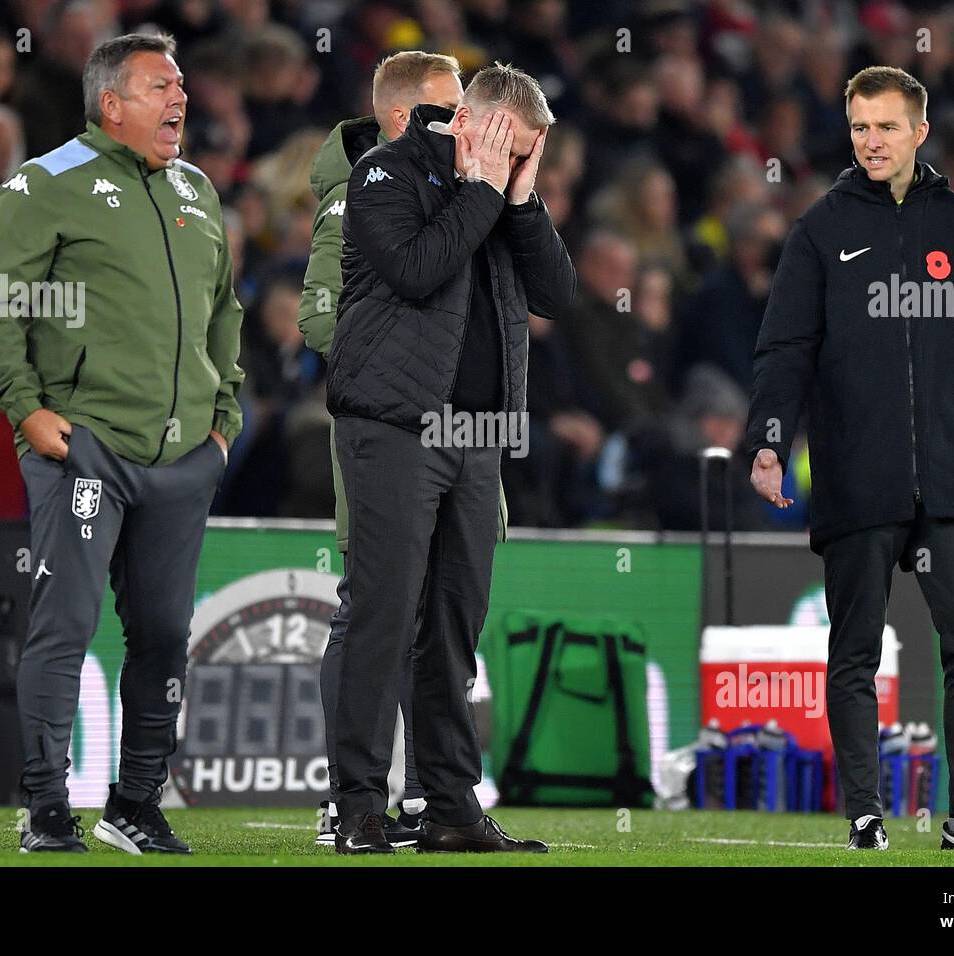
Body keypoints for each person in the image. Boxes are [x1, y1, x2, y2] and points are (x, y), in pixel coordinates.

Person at [0, 33, 243, 853]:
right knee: (66, 623)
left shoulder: (197, 190)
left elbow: (226, 311)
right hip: (83, 448)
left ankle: (137, 803)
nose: (181, 99)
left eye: (182, 84)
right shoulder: (43, 184)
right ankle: (46, 804)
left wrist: (222, 421)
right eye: (162, 86)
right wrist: (25, 408)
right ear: (111, 104)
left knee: (162, 634)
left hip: (184, 457)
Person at [745, 66, 954, 852]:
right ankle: (866, 814)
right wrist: (768, 439)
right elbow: (784, 349)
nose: (871, 141)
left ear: (920, 132)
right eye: (859, 127)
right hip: (858, 475)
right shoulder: (820, 230)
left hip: (953, 480)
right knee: (855, 654)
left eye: (886, 126)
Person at [328, 62, 575, 853]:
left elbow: (558, 295)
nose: (524, 167)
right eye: (520, 151)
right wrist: (479, 189)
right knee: (384, 615)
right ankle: (361, 806)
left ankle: (449, 805)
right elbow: (416, 270)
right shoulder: (382, 172)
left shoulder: (506, 193)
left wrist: (522, 198)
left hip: (476, 437)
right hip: (397, 427)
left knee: (452, 627)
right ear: (479, 126)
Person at [297, 50, 464, 848]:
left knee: (433, 620)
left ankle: (432, 797)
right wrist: (410, 358)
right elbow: (321, 322)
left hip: (453, 437)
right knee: (371, 612)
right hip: (388, 436)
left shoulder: (455, 192)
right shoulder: (356, 205)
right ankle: (348, 796)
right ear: (404, 119)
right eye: (448, 106)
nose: (464, 119)